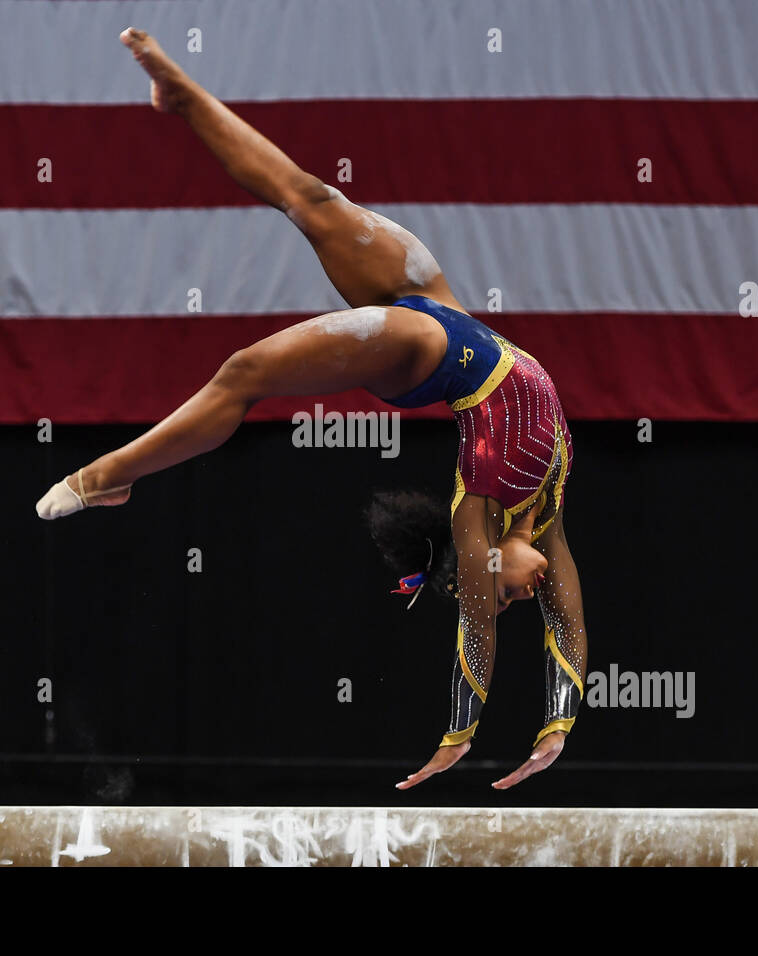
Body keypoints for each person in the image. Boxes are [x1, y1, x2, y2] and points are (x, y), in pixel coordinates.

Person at [36, 28, 589, 791]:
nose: (520, 595)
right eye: (520, 591)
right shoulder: (548, 506)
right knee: (309, 195)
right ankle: (184, 99)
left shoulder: (478, 509)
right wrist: (559, 721)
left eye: (500, 593)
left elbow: (477, 631)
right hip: (445, 306)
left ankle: (111, 475)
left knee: (245, 372)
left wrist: (462, 731)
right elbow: (570, 618)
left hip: (426, 350)